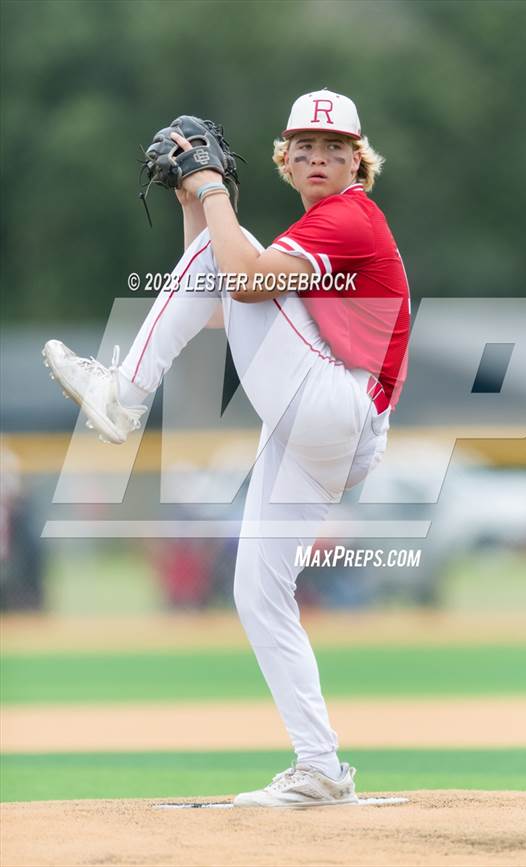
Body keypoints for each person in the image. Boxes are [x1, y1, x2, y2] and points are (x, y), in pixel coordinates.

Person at [43, 89, 411, 808]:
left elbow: (234, 273)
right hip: (331, 425)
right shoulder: (320, 229)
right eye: (303, 144)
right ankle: (321, 767)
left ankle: (124, 393)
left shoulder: (349, 215)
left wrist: (211, 187)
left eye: (334, 148)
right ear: (284, 155)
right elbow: (210, 291)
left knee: (225, 249)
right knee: (256, 592)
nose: (316, 155)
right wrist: (195, 198)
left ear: (357, 162)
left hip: (333, 407)